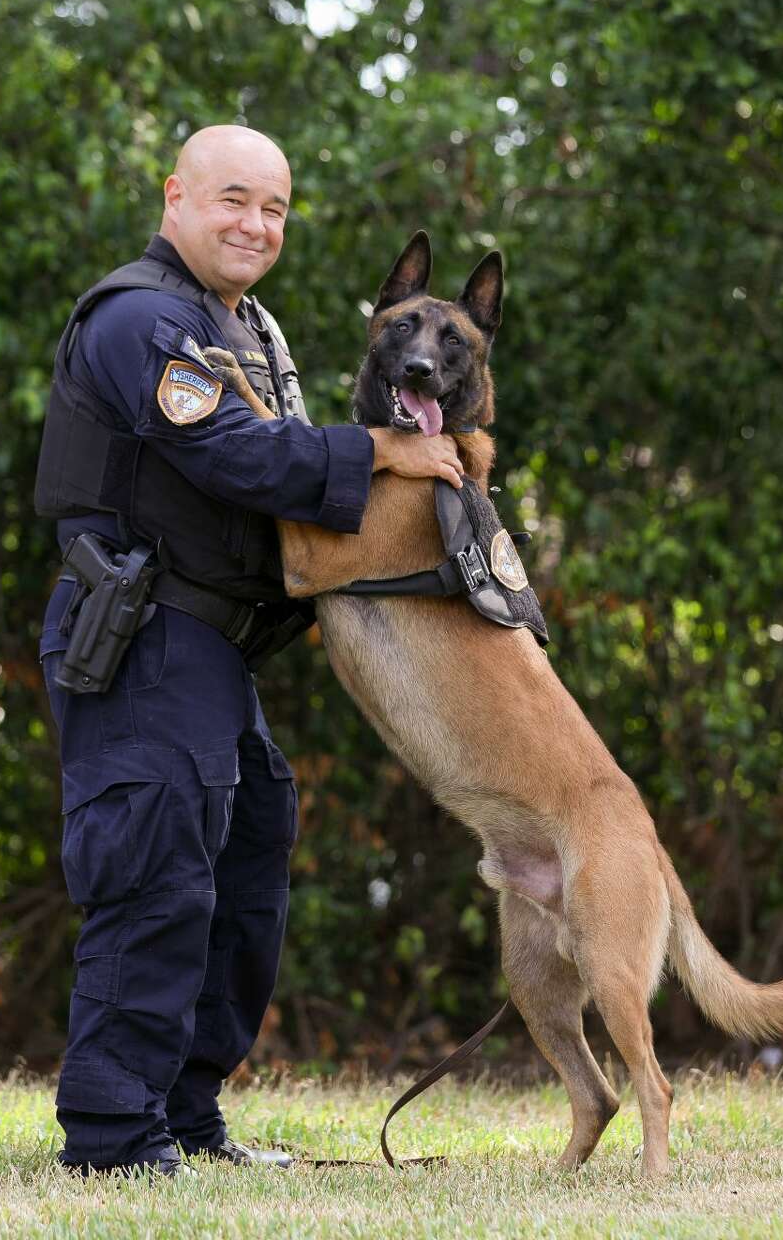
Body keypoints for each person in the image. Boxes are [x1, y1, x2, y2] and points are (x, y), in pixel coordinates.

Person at [32, 125, 463, 1177]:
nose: (256, 225)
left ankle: (185, 1115)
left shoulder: (247, 325)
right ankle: (112, 1135)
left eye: (274, 209)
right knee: (154, 873)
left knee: (245, 869)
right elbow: (234, 453)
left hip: (214, 650)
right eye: (234, 199)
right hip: (142, 637)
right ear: (175, 196)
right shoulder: (140, 317)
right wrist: (383, 449)